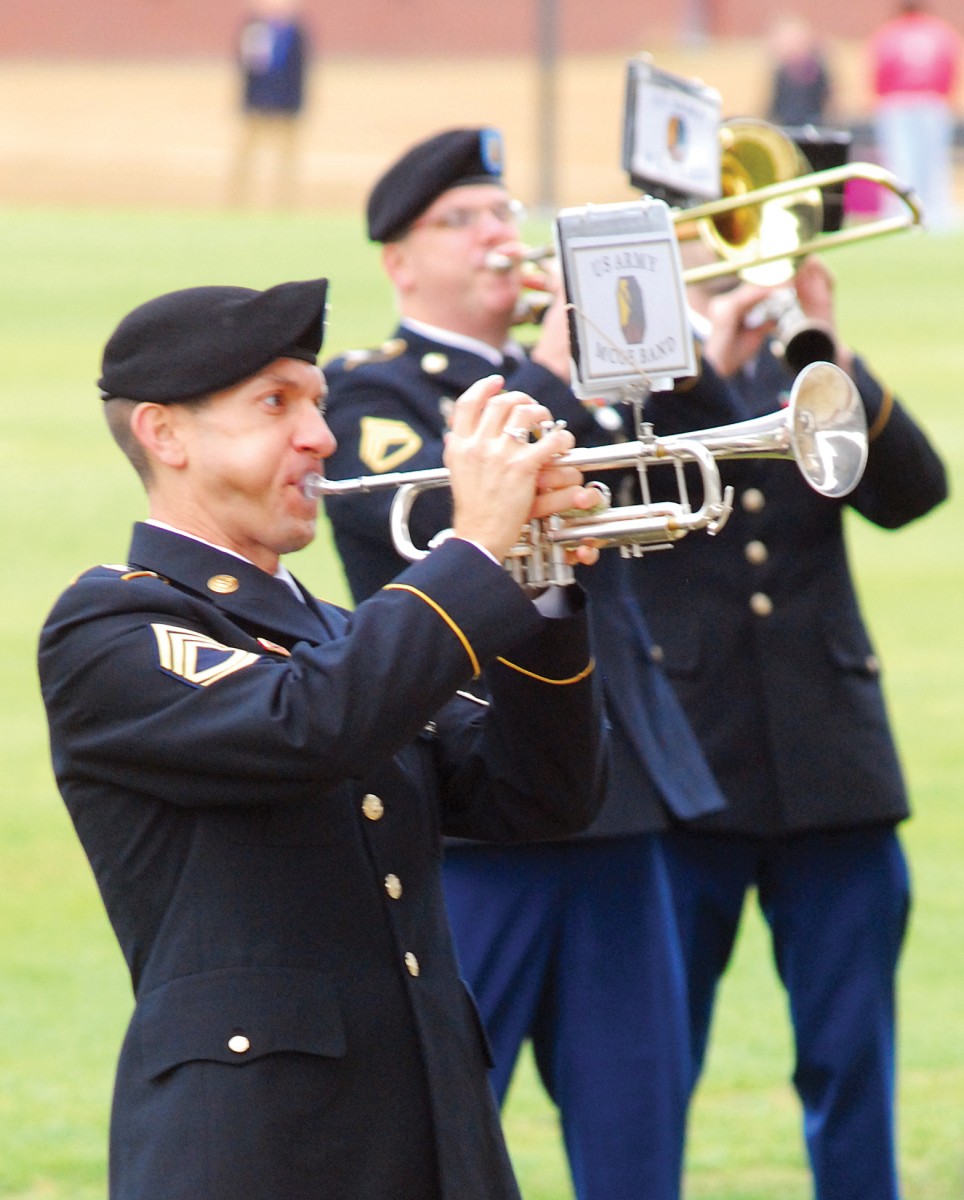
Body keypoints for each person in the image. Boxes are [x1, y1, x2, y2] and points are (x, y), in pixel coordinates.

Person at [37, 277, 610, 1200]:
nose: (320, 436)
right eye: (276, 404)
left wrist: (540, 592)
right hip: (258, 1150)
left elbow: (540, 797)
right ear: (164, 433)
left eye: (319, 404)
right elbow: (308, 727)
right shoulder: (111, 624)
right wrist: (472, 552)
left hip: (431, 1133)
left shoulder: (347, 635)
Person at [322, 126, 730, 1200]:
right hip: (471, 806)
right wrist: (538, 376)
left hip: (618, 788)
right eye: (464, 220)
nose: (498, 236)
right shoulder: (371, 396)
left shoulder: (587, 370)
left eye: (505, 213)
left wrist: (660, 341)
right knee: (444, 1127)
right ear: (398, 261)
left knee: (640, 1130)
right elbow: (412, 542)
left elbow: (714, 499)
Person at [630, 237, 948, 1199]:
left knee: (853, 1059)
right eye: (696, 246)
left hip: (833, 763)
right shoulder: (623, 385)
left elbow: (914, 492)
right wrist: (701, 380)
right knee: (656, 1064)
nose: (725, 267)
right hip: (690, 766)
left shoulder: (801, 367)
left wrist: (833, 353)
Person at [869, 0, 962, 231]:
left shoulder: (890, 34)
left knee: (902, 160)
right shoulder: (939, 32)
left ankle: (902, 213)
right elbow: (950, 69)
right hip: (929, 100)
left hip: (899, 101)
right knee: (931, 160)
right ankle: (935, 213)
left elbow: (879, 72)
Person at [227, 0, 310, 207]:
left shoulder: (296, 32)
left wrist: (296, 105)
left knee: (287, 158)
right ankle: (237, 202)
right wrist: (250, 102)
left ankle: (285, 204)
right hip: (259, 103)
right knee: (246, 154)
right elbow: (249, 69)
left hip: (286, 105)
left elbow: (299, 73)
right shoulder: (256, 30)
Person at [765, 14, 832, 127]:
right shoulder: (781, 72)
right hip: (787, 125)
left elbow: (826, 97)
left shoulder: (814, 68)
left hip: (813, 124)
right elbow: (775, 104)